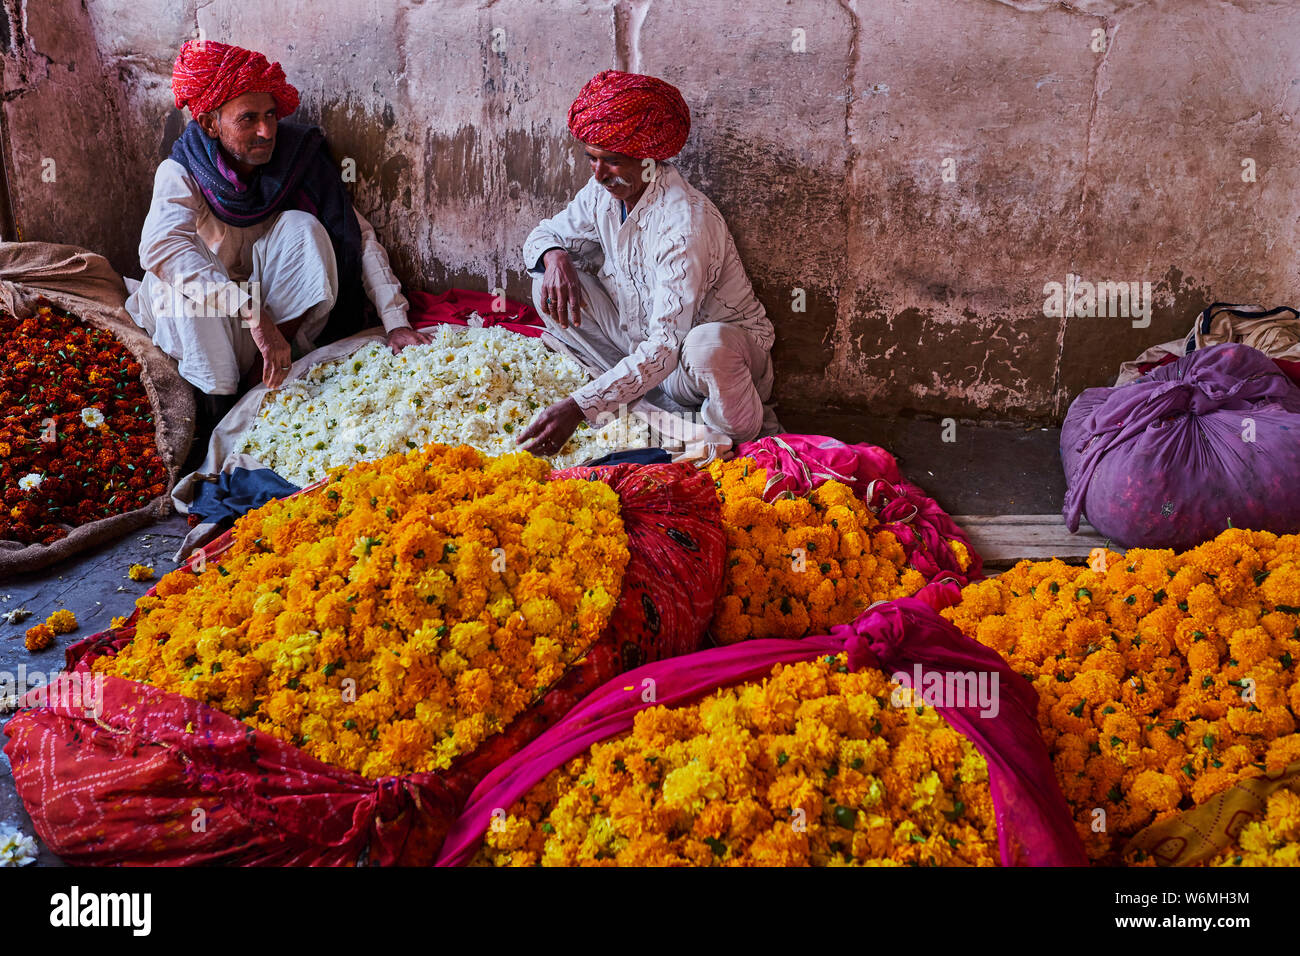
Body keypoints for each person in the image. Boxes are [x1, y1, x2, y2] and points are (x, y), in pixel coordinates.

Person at [125, 39, 430, 441]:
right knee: (180, 269)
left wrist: (395, 322)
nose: (266, 131)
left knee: (303, 227)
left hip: (269, 326)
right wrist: (250, 313)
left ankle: (266, 375)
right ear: (210, 124)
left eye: (270, 115)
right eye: (247, 119)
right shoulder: (181, 171)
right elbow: (160, 249)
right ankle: (217, 412)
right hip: (206, 322)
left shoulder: (296, 160)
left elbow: (359, 238)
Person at [517, 70, 780, 458]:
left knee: (708, 345)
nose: (600, 174)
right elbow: (543, 234)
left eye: (613, 161)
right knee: (545, 285)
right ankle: (651, 409)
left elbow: (666, 346)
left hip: (702, 367)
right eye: (591, 159)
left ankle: (720, 436)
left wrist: (578, 407)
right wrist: (554, 256)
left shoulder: (684, 225)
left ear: (648, 158)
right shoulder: (602, 192)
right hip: (642, 346)